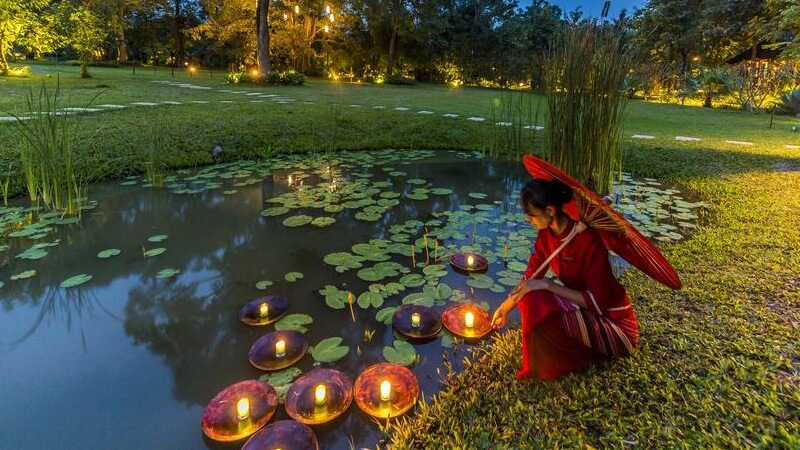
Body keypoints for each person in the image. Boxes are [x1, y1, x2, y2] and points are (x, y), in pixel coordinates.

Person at [491, 178, 639, 380]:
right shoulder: (546, 236)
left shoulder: (588, 241)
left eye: (532, 215)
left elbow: (597, 303)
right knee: (530, 296)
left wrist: (548, 285)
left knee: (539, 294)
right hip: (586, 313)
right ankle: (554, 356)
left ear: (550, 210)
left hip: (615, 325)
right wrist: (505, 307)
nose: (528, 220)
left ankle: (572, 356)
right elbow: (530, 277)